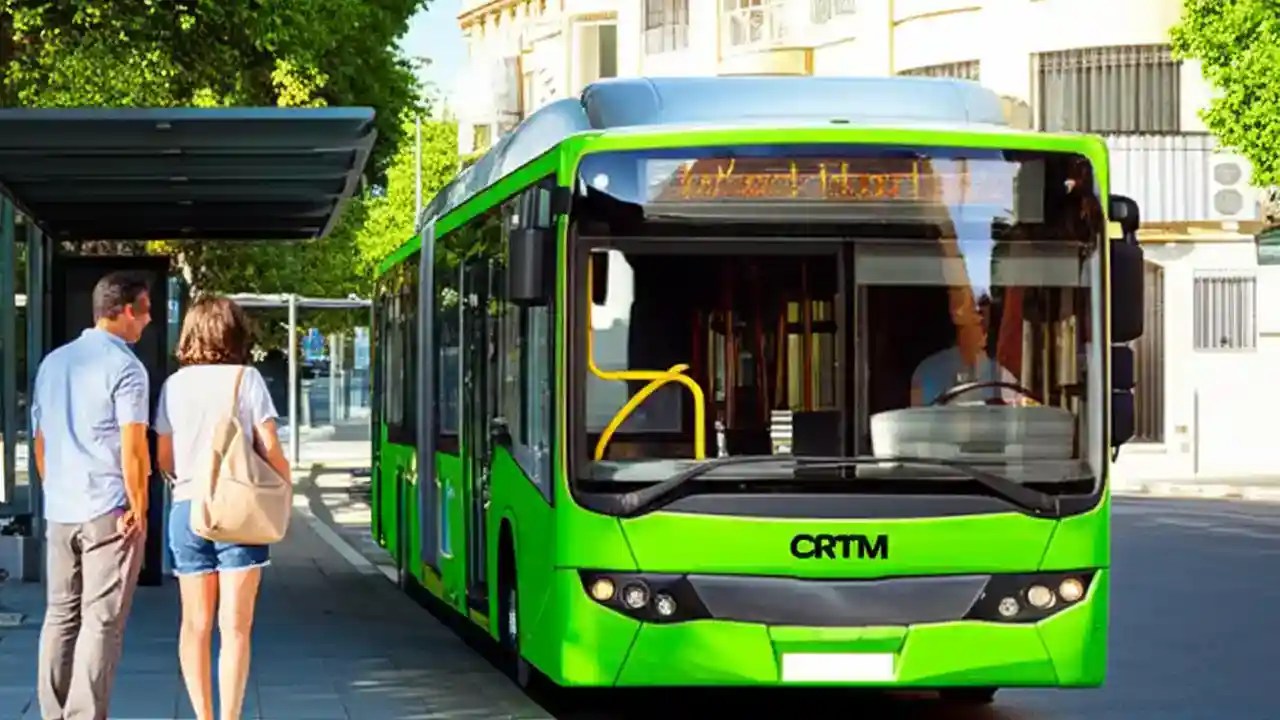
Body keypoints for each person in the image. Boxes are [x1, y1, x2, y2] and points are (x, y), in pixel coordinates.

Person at [154, 296, 289, 720]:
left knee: (194, 624)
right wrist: (284, 486)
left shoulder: (174, 385)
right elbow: (270, 448)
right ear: (234, 332)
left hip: (187, 509)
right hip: (237, 510)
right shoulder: (246, 379)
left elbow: (165, 457)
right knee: (235, 626)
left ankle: (202, 715)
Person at [34, 271, 153, 720]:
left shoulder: (54, 363)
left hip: (61, 509)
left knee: (60, 615)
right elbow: (133, 446)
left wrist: (55, 489)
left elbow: (41, 441)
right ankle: (84, 715)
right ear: (124, 311)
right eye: (144, 310)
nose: (148, 320)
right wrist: (139, 507)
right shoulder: (126, 368)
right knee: (101, 620)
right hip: (108, 509)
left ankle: (53, 711)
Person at [910, 294, 1020, 406]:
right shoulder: (927, 374)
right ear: (955, 308)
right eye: (972, 300)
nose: (979, 312)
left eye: (984, 303)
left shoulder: (1004, 379)